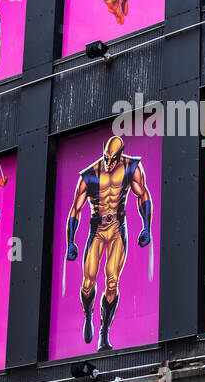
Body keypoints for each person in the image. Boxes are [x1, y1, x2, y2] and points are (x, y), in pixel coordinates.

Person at [64, 135, 152, 351]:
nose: (108, 163)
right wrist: (70, 242)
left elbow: (143, 195)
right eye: (106, 158)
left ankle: (104, 331)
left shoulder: (132, 167)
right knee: (87, 284)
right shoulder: (89, 175)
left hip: (117, 228)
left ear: (120, 156)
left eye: (112, 159)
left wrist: (146, 227)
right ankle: (88, 314)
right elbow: (75, 209)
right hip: (97, 228)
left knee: (112, 281)